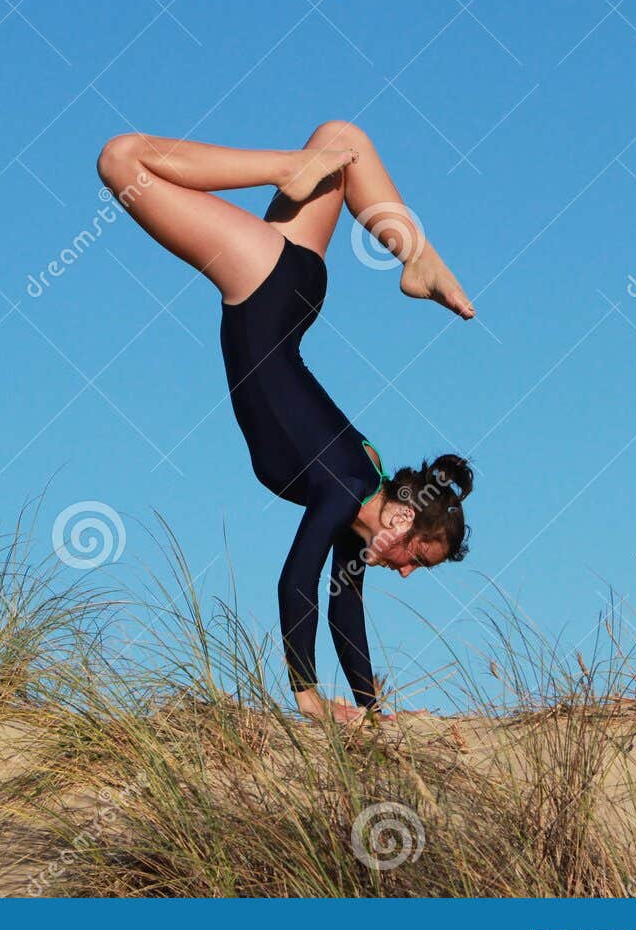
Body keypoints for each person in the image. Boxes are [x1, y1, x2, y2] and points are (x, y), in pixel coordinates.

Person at [96, 120, 476, 724]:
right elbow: (295, 580)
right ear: (403, 518)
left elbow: (341, 607)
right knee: (122, 161)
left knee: (338, 140)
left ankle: (416, 259)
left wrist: (371, 712)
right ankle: (297, 177)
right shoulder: (349, 485)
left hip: (290, 293)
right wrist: (306, 698)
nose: (405, 570)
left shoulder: (359, 503)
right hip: (262, 287)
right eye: (416, 557)